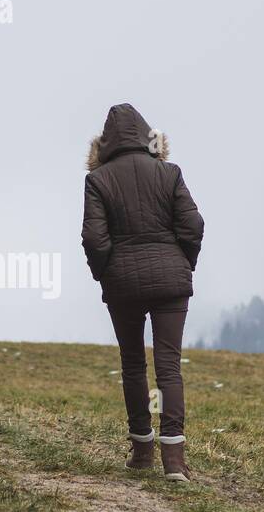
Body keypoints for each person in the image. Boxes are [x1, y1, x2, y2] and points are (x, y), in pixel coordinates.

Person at [81, 103, 205, 481]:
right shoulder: (169, 173)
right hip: (171, 282)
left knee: (133, 364)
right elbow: (193, 225)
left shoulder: (99, 180)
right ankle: (175, 460)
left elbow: (94, 238)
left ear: (105, 144)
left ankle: (141, 451)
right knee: (169, 366)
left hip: (123, 285)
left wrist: (105, 274)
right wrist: (184, 262)